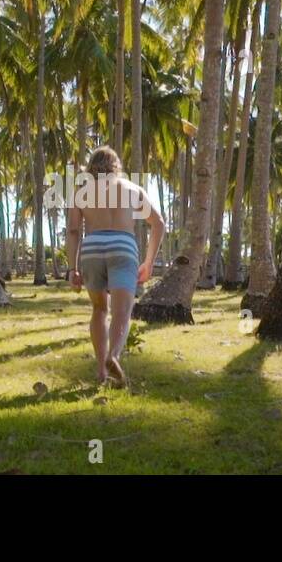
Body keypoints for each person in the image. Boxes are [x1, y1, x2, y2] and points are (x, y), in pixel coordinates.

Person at [66, 146, 164, 386]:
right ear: (117, 167)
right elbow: (158, 223)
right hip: (123, 247)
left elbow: (73, 230)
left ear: (90, 169)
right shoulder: (132, 188)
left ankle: (101, 371)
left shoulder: (82, 193)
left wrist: (72, 268)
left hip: (92, 248)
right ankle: (114, 355)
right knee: (122, 312)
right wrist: (149, 262)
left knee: (99, 310)